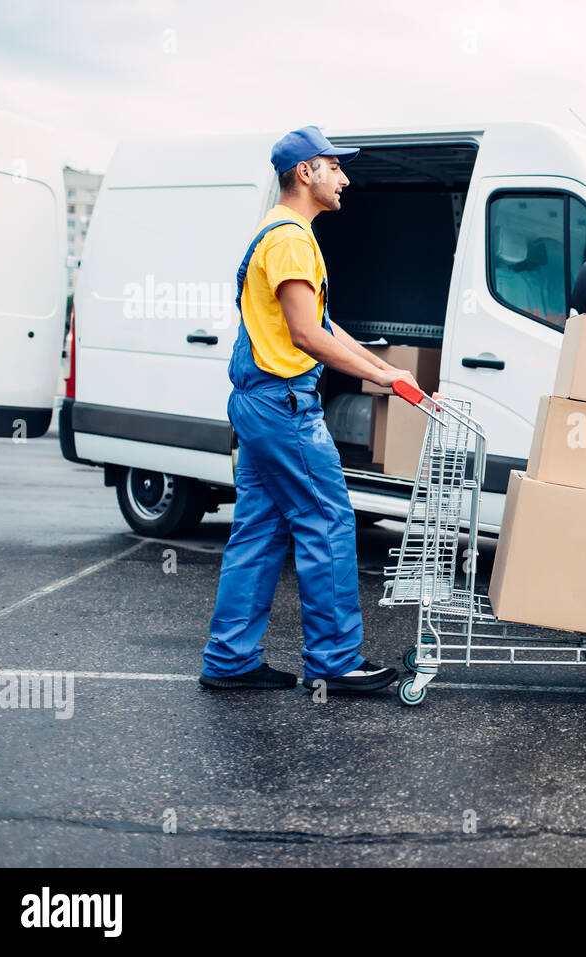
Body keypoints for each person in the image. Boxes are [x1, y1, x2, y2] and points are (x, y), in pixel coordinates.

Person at [200, 125, 415, 694]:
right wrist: (380, 375)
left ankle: (229, 660)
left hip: (257, 404)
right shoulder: (292, 238)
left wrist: (381, 367)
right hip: (284, 407)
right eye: (334, 166)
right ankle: (336, 661)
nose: (345, 177)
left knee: (258, 532)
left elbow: (319, 324)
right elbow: (304, 334)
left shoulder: (272, 232)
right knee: (327, 522)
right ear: (305, 172)